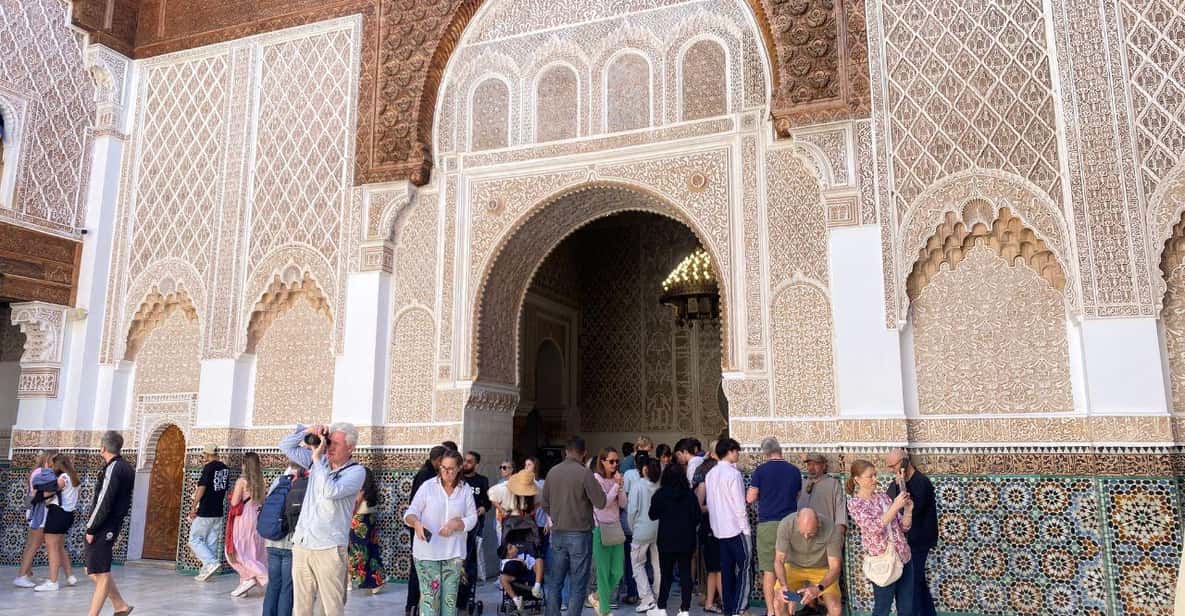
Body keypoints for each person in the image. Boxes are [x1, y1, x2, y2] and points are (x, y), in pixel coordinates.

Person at [279, 422, 367, 616]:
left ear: (350, 447)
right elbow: (285, 446)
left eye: (336, 443)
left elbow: (329, 490)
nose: (330, 447)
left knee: (330, 609)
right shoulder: (318, 462)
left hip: (329, 549)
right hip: (303, 545)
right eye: (329, 441)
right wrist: (308, 431)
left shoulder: (356, 472)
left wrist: (317, 460)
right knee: (301, 608)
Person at [404, 449, 477, 616]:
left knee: (449, 604)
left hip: (454, 553)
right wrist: (416, 523)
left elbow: (473, 518)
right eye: (443, 467)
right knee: (430, 604)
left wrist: (458, 523)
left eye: (451, 468)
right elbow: (410, 512)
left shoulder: (465, 489)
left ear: (459, 468)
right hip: (427, 553)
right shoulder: (428, 486)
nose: (446, 472)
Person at [541, 436, 607, 616]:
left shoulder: (552, 472)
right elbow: (600, 502)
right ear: (584, 453)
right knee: (578, 584)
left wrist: (556, 516)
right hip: (580, 533)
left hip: (558, 533)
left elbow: (544, 503)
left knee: (555, 582)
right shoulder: (584, 473)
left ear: (565, 451)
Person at [847, 459, 914, 616]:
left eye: (875, 475)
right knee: (882, 609)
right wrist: (895, 506)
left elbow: (903, 527)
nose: (875, 479)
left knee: (907, 609)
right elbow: (873, 529)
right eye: (870, 476)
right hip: (883, 562)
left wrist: (908, 510)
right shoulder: (855, 504)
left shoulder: (883, 498)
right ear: (857, 479)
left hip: (904, 557)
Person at [746, 437, 801, 616]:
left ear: (765, 453)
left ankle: (771, 612)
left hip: (768, 524)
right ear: (780, 450)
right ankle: (789, 611)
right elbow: (797, 496)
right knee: (789, 567)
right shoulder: (794, 471)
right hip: (791, 523)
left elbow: (750, 498)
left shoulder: (760, 471)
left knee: (769, 570)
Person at [85, 431, 135, 616]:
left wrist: (92, 527)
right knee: (91, 571)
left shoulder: (115, 467)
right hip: (108, 524)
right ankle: (120, 605)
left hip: (104, 526)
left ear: (103, 447)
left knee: (102, 572)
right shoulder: (124, 467)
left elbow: (104, 500)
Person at [885, 449, 936, 616]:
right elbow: (889, 504)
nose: (893, 470)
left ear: (905, 461)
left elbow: (913, 508)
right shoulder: (896, 484)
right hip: (905, 543)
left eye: (895, 466)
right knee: (917, 583)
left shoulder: (921, 482)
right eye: (890, 467)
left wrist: (902, 485)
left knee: (912, 584)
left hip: (919, 542)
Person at [647, 463, 700, 616]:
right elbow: (697, 517)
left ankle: (662, 607)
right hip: (686, 540)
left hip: (666, 541)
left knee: (666, 574)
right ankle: (684, 609)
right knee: (685, 575)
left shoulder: (660, 494)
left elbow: (652, 515)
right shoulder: (689, 495)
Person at [705, 438, 749, 616]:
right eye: (736, 451)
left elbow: (711, 503)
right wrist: (745, 530)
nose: (738, 454)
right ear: (730, 452)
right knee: (745, 568)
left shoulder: (710, 474)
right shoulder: (733, 474)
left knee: (727, 571)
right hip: (736, 530)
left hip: (719, 532)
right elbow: (739, 506)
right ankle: (739, 608)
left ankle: (729, 609)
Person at [772, 509, 843, 616]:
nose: (806, 537)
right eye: (802, 532)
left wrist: (818, 589)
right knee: (778, 602)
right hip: (793, 566)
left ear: (818, 523)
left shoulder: (831, 529)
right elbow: (779, 560)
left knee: (835, 609)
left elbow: (835, 567)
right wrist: (783, 585)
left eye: (810, 533)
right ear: (797, 521)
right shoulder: (786, 524)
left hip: (821, 568)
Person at [407, 445, 447, 616]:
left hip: (425, 529)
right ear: (439, 461)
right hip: (423, 530)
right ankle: (415, 605)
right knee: (421, 569)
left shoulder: (428, 473)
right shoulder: (427, 477)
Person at [263, 461, 303, 616]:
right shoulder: (303, 484)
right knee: (287, 586)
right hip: (289, 544)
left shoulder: (278, 481)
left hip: (272, 540)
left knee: (273, 584)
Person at [591, 447, 628, 616]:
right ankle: (604, 611)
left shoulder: (616, 479)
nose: (615, 464)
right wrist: (615, 486)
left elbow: (623, 504)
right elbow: (603, 502)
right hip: (600, 528)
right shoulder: (596, 479)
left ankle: (597, 596)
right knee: (603, 572)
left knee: (618, 571)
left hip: (615, 526)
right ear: (602, 462)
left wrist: (620, 486)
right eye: (611, 461)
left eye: (616, 461)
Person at [35, 453, 80, 591]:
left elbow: (50, 492)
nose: (52, 468)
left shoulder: (63, 478)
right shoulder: (74, 479)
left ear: (58, 465)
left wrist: (36, 494)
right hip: (68, 515)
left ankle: (53, 581)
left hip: (57, 514)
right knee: (59, 547)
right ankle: (70, 576)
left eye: (53, 465)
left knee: (52, 548)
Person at [227, 451, 268, 597]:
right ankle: (244, 583)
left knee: (237, 551)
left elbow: (234, 502)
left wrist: (231, 496)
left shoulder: (241, 482)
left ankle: (260, 575)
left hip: (243, 518)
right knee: (252, 549)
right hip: (256, 517)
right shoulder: (261, 481)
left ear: (244, 464)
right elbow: (262, 501)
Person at [14, 449, 54, 588]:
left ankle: (26, 571)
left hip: (34, 511)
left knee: (31, 544)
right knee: (34, 545)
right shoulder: (43, 473)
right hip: (39, 512)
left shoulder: (37, 472)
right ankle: (21, 576)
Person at [190, 444, 230, 582]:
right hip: (218, 510)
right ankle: (205, 571)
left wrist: (194, 506)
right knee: (211, 542)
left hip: (206, 510)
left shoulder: (209, 467)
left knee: (194, 539)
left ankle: (211, 562)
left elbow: (202, 487)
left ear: (207, 454)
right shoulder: (225, 469)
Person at [627, 458, 662, 612]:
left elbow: (631, 511)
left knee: (637, 564)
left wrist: (632, 528)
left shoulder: (637, 486)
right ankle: (659, 595)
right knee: (658, 564)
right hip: (658, 529)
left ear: (645, 469)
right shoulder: (660, 486)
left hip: (641, 530)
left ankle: (647, 598)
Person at [692, 441, 721, 613]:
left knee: (711, 568)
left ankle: (709, 599)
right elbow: (699, 503)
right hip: (712, 526)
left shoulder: (700, 469)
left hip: (707, 526)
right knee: (717, 567)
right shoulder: (714, 471)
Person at [348, 467, 387, 593]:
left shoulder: (361, 490)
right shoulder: (372, 491)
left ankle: (358, 581)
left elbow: (355, 505)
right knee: (372, 552)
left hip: (359, 522)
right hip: (369, 520)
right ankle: (376, 582)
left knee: (358, 553)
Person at [459, 451, 490, 607]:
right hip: (458, 527)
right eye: (464, 461)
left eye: (469, 462)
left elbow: (488, 501)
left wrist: (484, 508)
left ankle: (469, 594)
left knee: (471, 560)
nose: (466, 464)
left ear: (476, 464)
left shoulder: (482, 481)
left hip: (476, 527)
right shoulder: (459, 480)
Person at [798, 454, 846, 536]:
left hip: (825, 533)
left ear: (823, 466)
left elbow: (840, 507)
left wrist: (839, 531)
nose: (811, 468)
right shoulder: (802, 483)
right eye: (809, 464)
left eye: (815, 464)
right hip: (804, 534)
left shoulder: (833, 483)